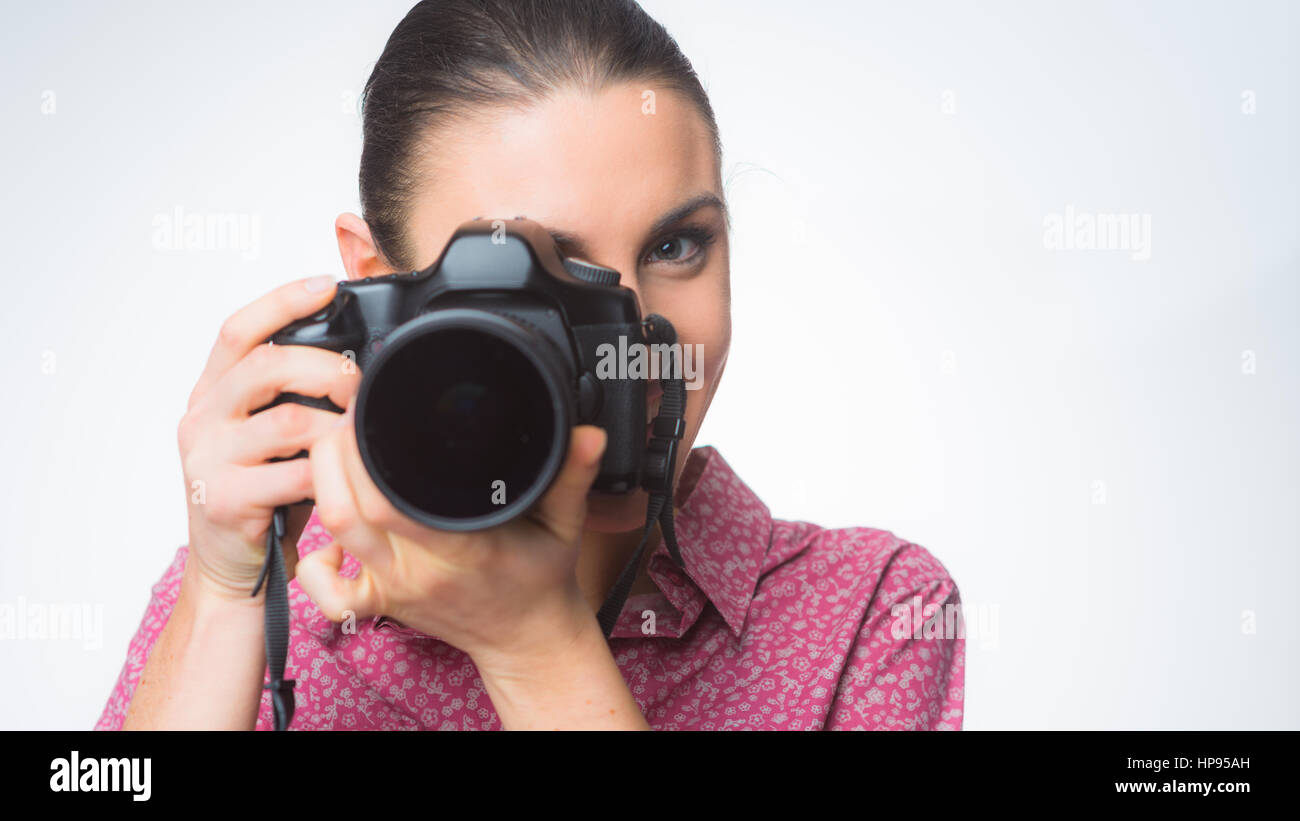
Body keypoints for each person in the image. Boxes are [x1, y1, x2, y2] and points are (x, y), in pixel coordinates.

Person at [96, 0, 964, 730]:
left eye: (675, 244)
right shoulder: (258, 581)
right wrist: (222, 603)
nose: (628, 331)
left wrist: (535, 648)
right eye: (548, 268)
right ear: (376, 282)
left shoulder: (870, 614)